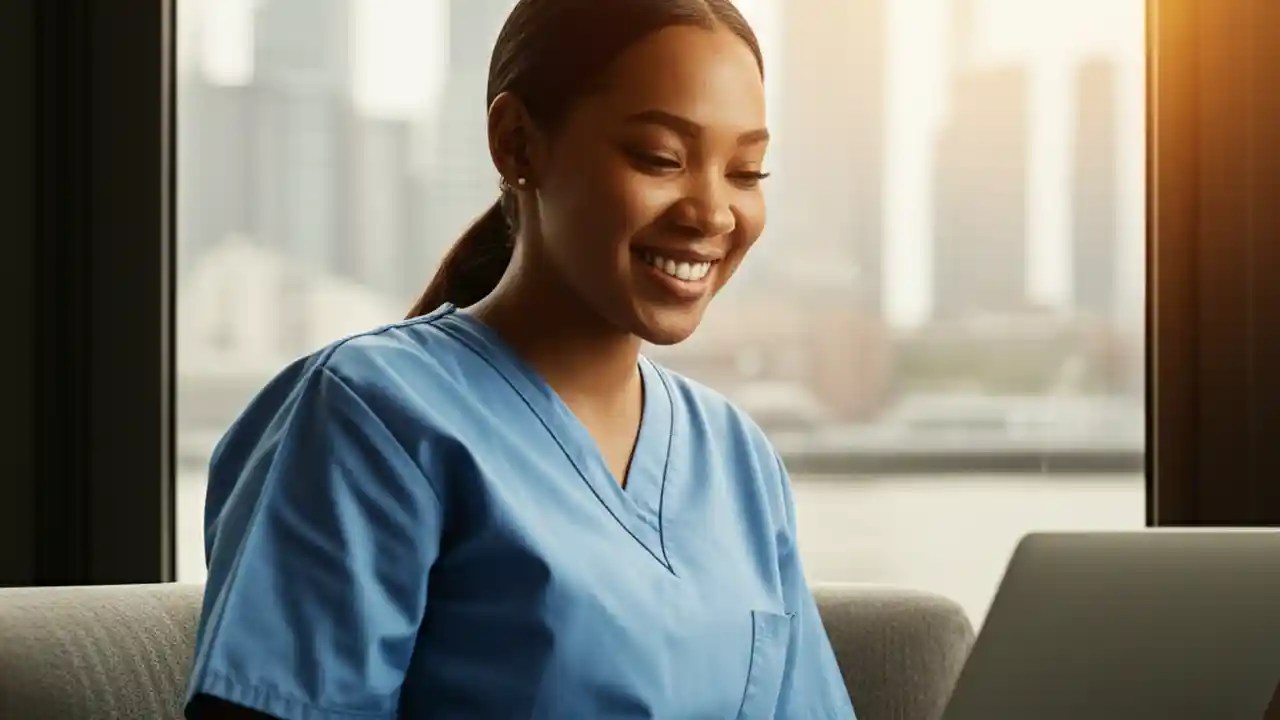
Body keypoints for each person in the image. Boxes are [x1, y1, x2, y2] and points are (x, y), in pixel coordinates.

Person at [184, 0, 858, 717]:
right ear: (517, 144)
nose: (713, 213)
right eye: (661, 158)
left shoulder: (737, 462)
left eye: (746, 172)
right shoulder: (369, 417)